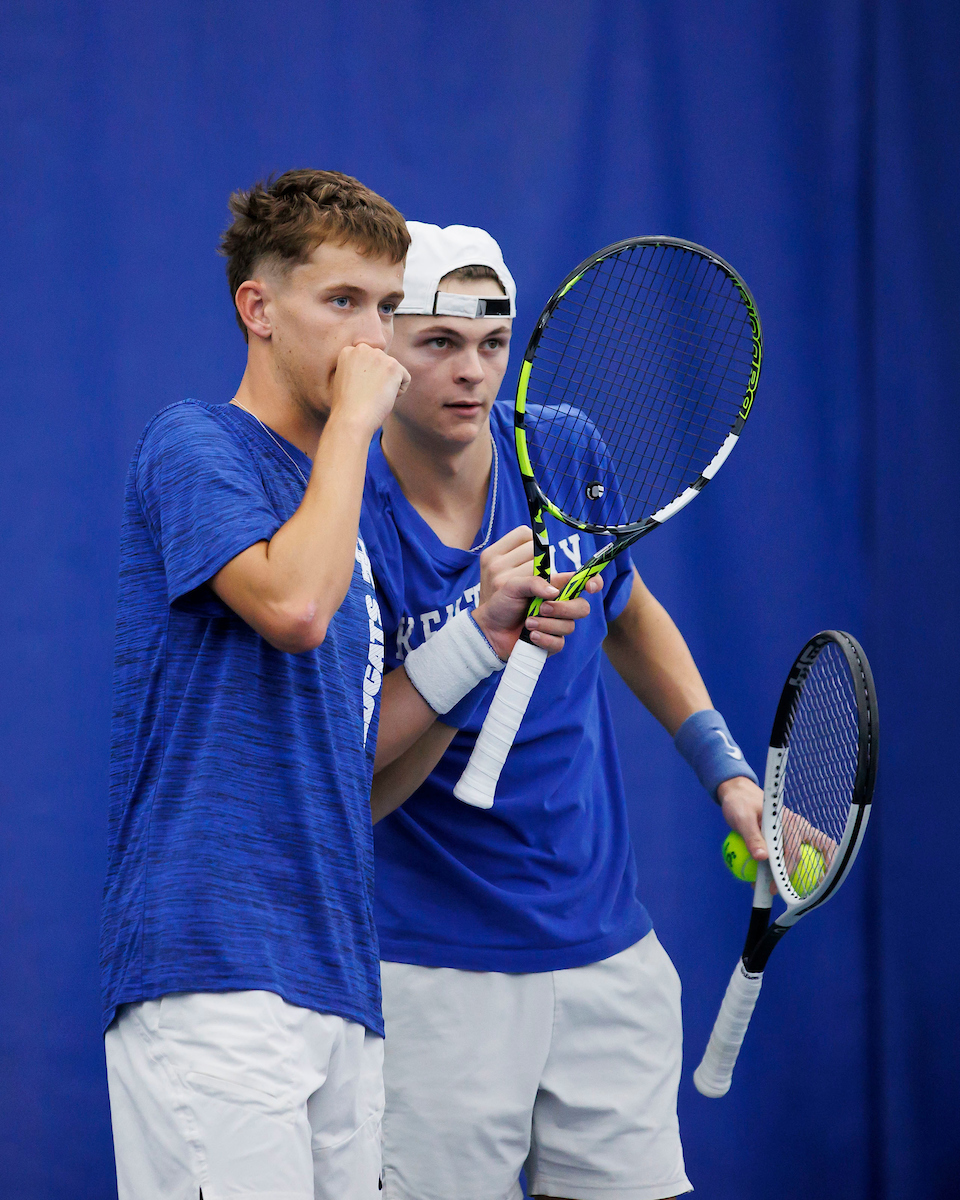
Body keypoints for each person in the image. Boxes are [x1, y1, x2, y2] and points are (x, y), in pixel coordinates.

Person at [99, 176, 588, 1200]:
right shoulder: (195, 444)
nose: (372, 339)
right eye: (341, 303)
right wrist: (360, 425)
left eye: (383, 307)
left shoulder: (340, 522)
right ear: (259, 309)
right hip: (213, 976)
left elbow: (353, 770)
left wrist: (480, 641)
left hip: (337, 981)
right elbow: (292, 610)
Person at [360, 223, 768, 1200]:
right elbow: (350, 775)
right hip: (427, 972)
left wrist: (729, 772)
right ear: (382, 349)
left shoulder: (561, 448)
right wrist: (477, 637)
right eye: (440, 344)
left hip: (604, 947)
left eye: (493, 345)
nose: (472, 371)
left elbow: (631, 615)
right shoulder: (347, 509)